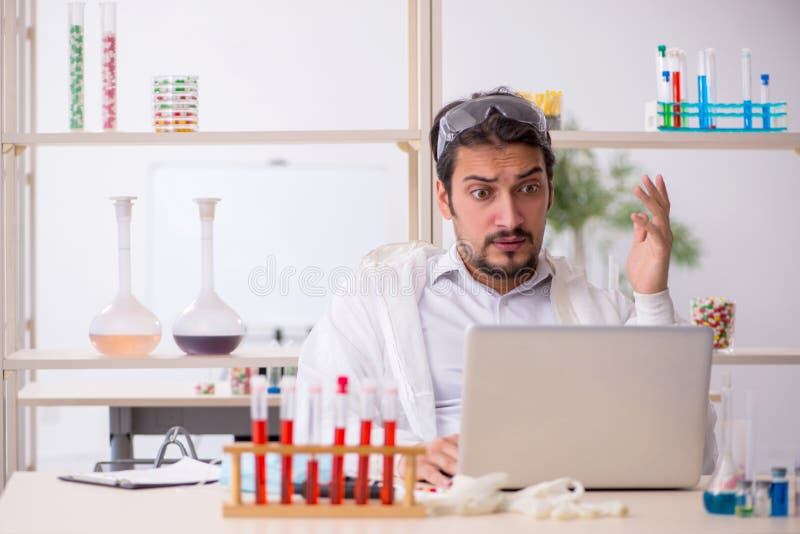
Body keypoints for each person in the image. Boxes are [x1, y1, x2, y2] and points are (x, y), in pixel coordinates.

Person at [296, 88, 716, 487]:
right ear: (444, 199)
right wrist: (403, 457)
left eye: (528, 188)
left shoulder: (600, 312)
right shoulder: (377, 302)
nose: (510, 217)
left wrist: (651, 296)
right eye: (482, 193)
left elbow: (689, 451)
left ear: (550, 192)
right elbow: (313, 425)